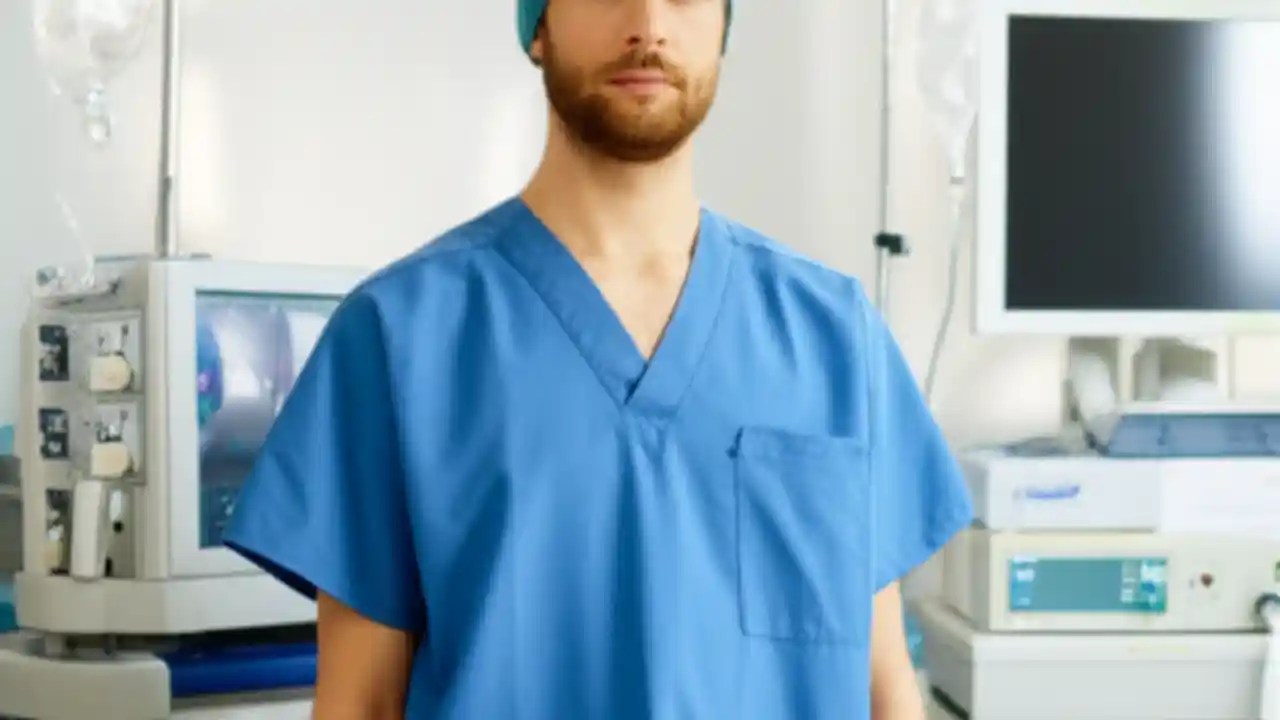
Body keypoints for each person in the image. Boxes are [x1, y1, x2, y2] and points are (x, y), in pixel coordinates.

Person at [225, 0, 973, 718]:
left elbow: (885, 694)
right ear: (539, 24)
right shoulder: (400, 339)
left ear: (723, 26)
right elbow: (361, 706)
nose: (647, 24)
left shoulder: (834, 338)